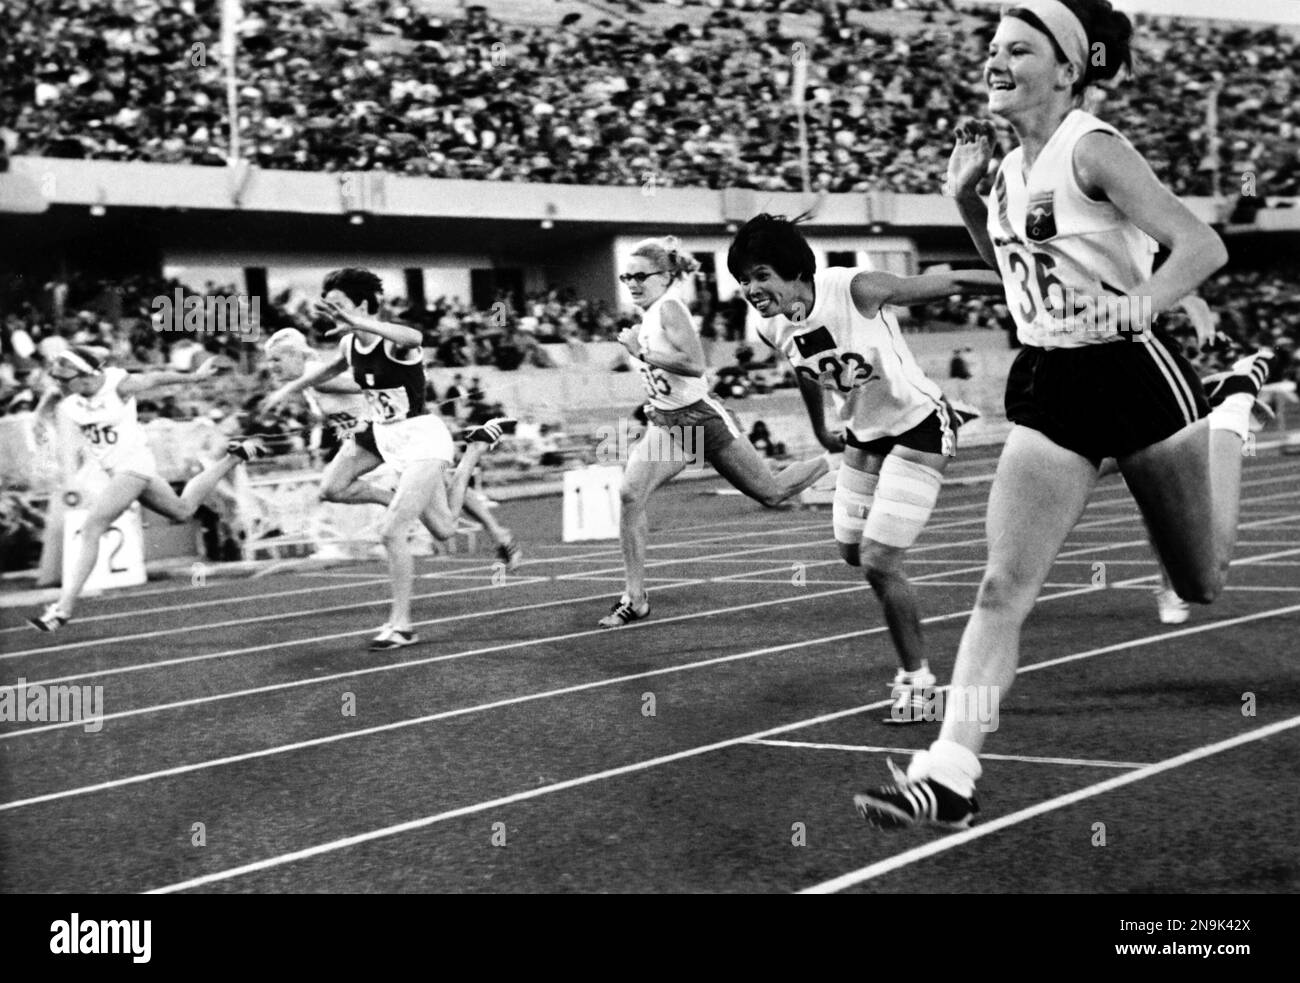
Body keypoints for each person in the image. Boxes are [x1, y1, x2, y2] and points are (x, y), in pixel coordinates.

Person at [854, 0, 1274, 828]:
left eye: (1016, 49)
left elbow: (1202, 246)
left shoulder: (1093, 148)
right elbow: (1015, 272)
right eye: (991, 49)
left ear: (1069, 69)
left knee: (1202, 581)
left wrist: (1143, 303)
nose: (993, 61)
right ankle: (950, 768)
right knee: (1000, 585)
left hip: (1134, 376)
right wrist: (967, 203)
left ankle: (1229, 411)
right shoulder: (1007, 169)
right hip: (1050, 381)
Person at [728, 213, 1001, 720]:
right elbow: (804, 368)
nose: (751, 288)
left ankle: (917, 684)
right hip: (863, 434)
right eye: (743, 279)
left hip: (920, 423)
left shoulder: (853, 287)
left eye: (762, 274)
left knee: (878, 560)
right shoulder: (769, 326)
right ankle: (906, 614)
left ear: (796, 271)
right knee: (852, 552)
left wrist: (1028, 286)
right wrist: (819, 427)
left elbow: (951, 281)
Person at [263, 269, 514, 650]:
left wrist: (361, 323)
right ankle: (466, 457)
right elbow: (330, 370)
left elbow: (416, 337)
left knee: (407, 531)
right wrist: (286, 391)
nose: (333, 313)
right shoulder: (348, 345)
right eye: (329, 306)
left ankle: (401, 625)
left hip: (421, 438)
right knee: (340, 490)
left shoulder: (396, 344)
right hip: (383, 435)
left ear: (363, 305)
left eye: (340, 306)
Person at [597, 236, 832, 629]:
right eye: (626, 277)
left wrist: (642, 352)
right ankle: (634, 598)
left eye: (640, 276)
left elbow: (695, 364)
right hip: (670, 424)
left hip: (702, 419)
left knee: (771, 493)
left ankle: (836, 457)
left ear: (665, 278)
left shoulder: (670, 308)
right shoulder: (649, 316)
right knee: (630, 493)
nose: (632, 284)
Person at [27, 347, 266, 631]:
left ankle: (63, 608)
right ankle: (235, 458)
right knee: (182, 509)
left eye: (66, 379)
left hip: (133, 465)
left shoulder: (118, 384)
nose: (61, 384)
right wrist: (43, 411)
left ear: (86, 376)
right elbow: (42, 421)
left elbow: (154, 378)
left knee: (92, 527)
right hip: (119, 470)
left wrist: (193, 377)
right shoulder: (68, 396)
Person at [265, 329, 522, 570]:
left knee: (440, 512)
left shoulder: (317, 376)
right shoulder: (310, 381)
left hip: (382, 430)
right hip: (365, 436)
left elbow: (365, 384)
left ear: (293, 355)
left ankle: (470, 481)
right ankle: (493, 529)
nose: (271, 367)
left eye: (276, 360)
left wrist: (404, 386)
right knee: (334, 488)